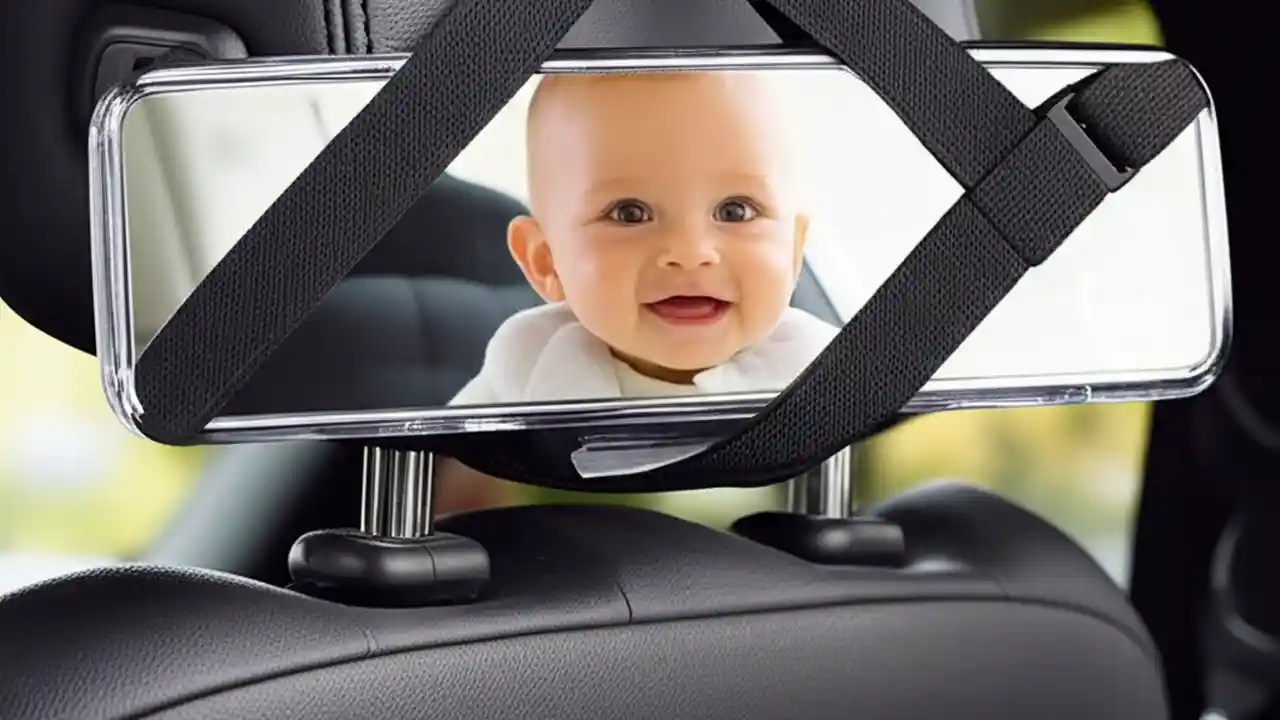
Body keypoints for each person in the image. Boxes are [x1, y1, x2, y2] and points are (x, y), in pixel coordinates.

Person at [449, 69, 838, 406]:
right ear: (545, 261)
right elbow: (454, 482)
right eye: (629, 213)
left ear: (793, 249)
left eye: (735, 210)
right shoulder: (530, 363)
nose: (690, 252)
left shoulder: (827, 371)